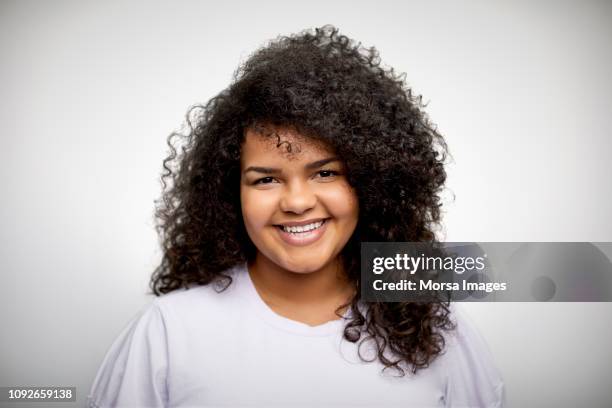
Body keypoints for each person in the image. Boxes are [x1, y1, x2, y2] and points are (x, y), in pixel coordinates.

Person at [87, 26, 505, 407]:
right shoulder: (168, 335)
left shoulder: (434, 329)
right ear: (230, 194)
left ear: (370, 183)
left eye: (325, 173)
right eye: (266, 179)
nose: (298, 201)